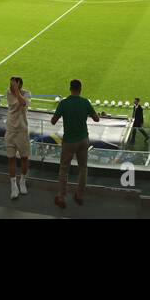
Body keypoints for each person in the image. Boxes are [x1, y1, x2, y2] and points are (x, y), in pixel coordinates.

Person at [50, 78, 98, 209]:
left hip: (69, 141)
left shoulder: (64, 103)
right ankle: (79, 195)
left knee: (64, 169)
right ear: (80, 89)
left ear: (70, 89)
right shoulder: (85, 102)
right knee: (83, 168)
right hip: (83, 139)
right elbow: (96, 118)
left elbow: (53, 121)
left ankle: (61, 197)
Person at [4, 76, 30, 200]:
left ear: (19, 85)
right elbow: (17, 105)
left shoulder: (27, 93)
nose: (10, 86)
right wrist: (14, 90)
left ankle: (22, 180)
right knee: (11, 159)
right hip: (10, 130)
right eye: (10, 84)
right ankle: (13, 185)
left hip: (22, 132)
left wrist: (17, 91)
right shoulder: (9, 93)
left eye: (13, 84)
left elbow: (23, 103)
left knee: (24, 158)